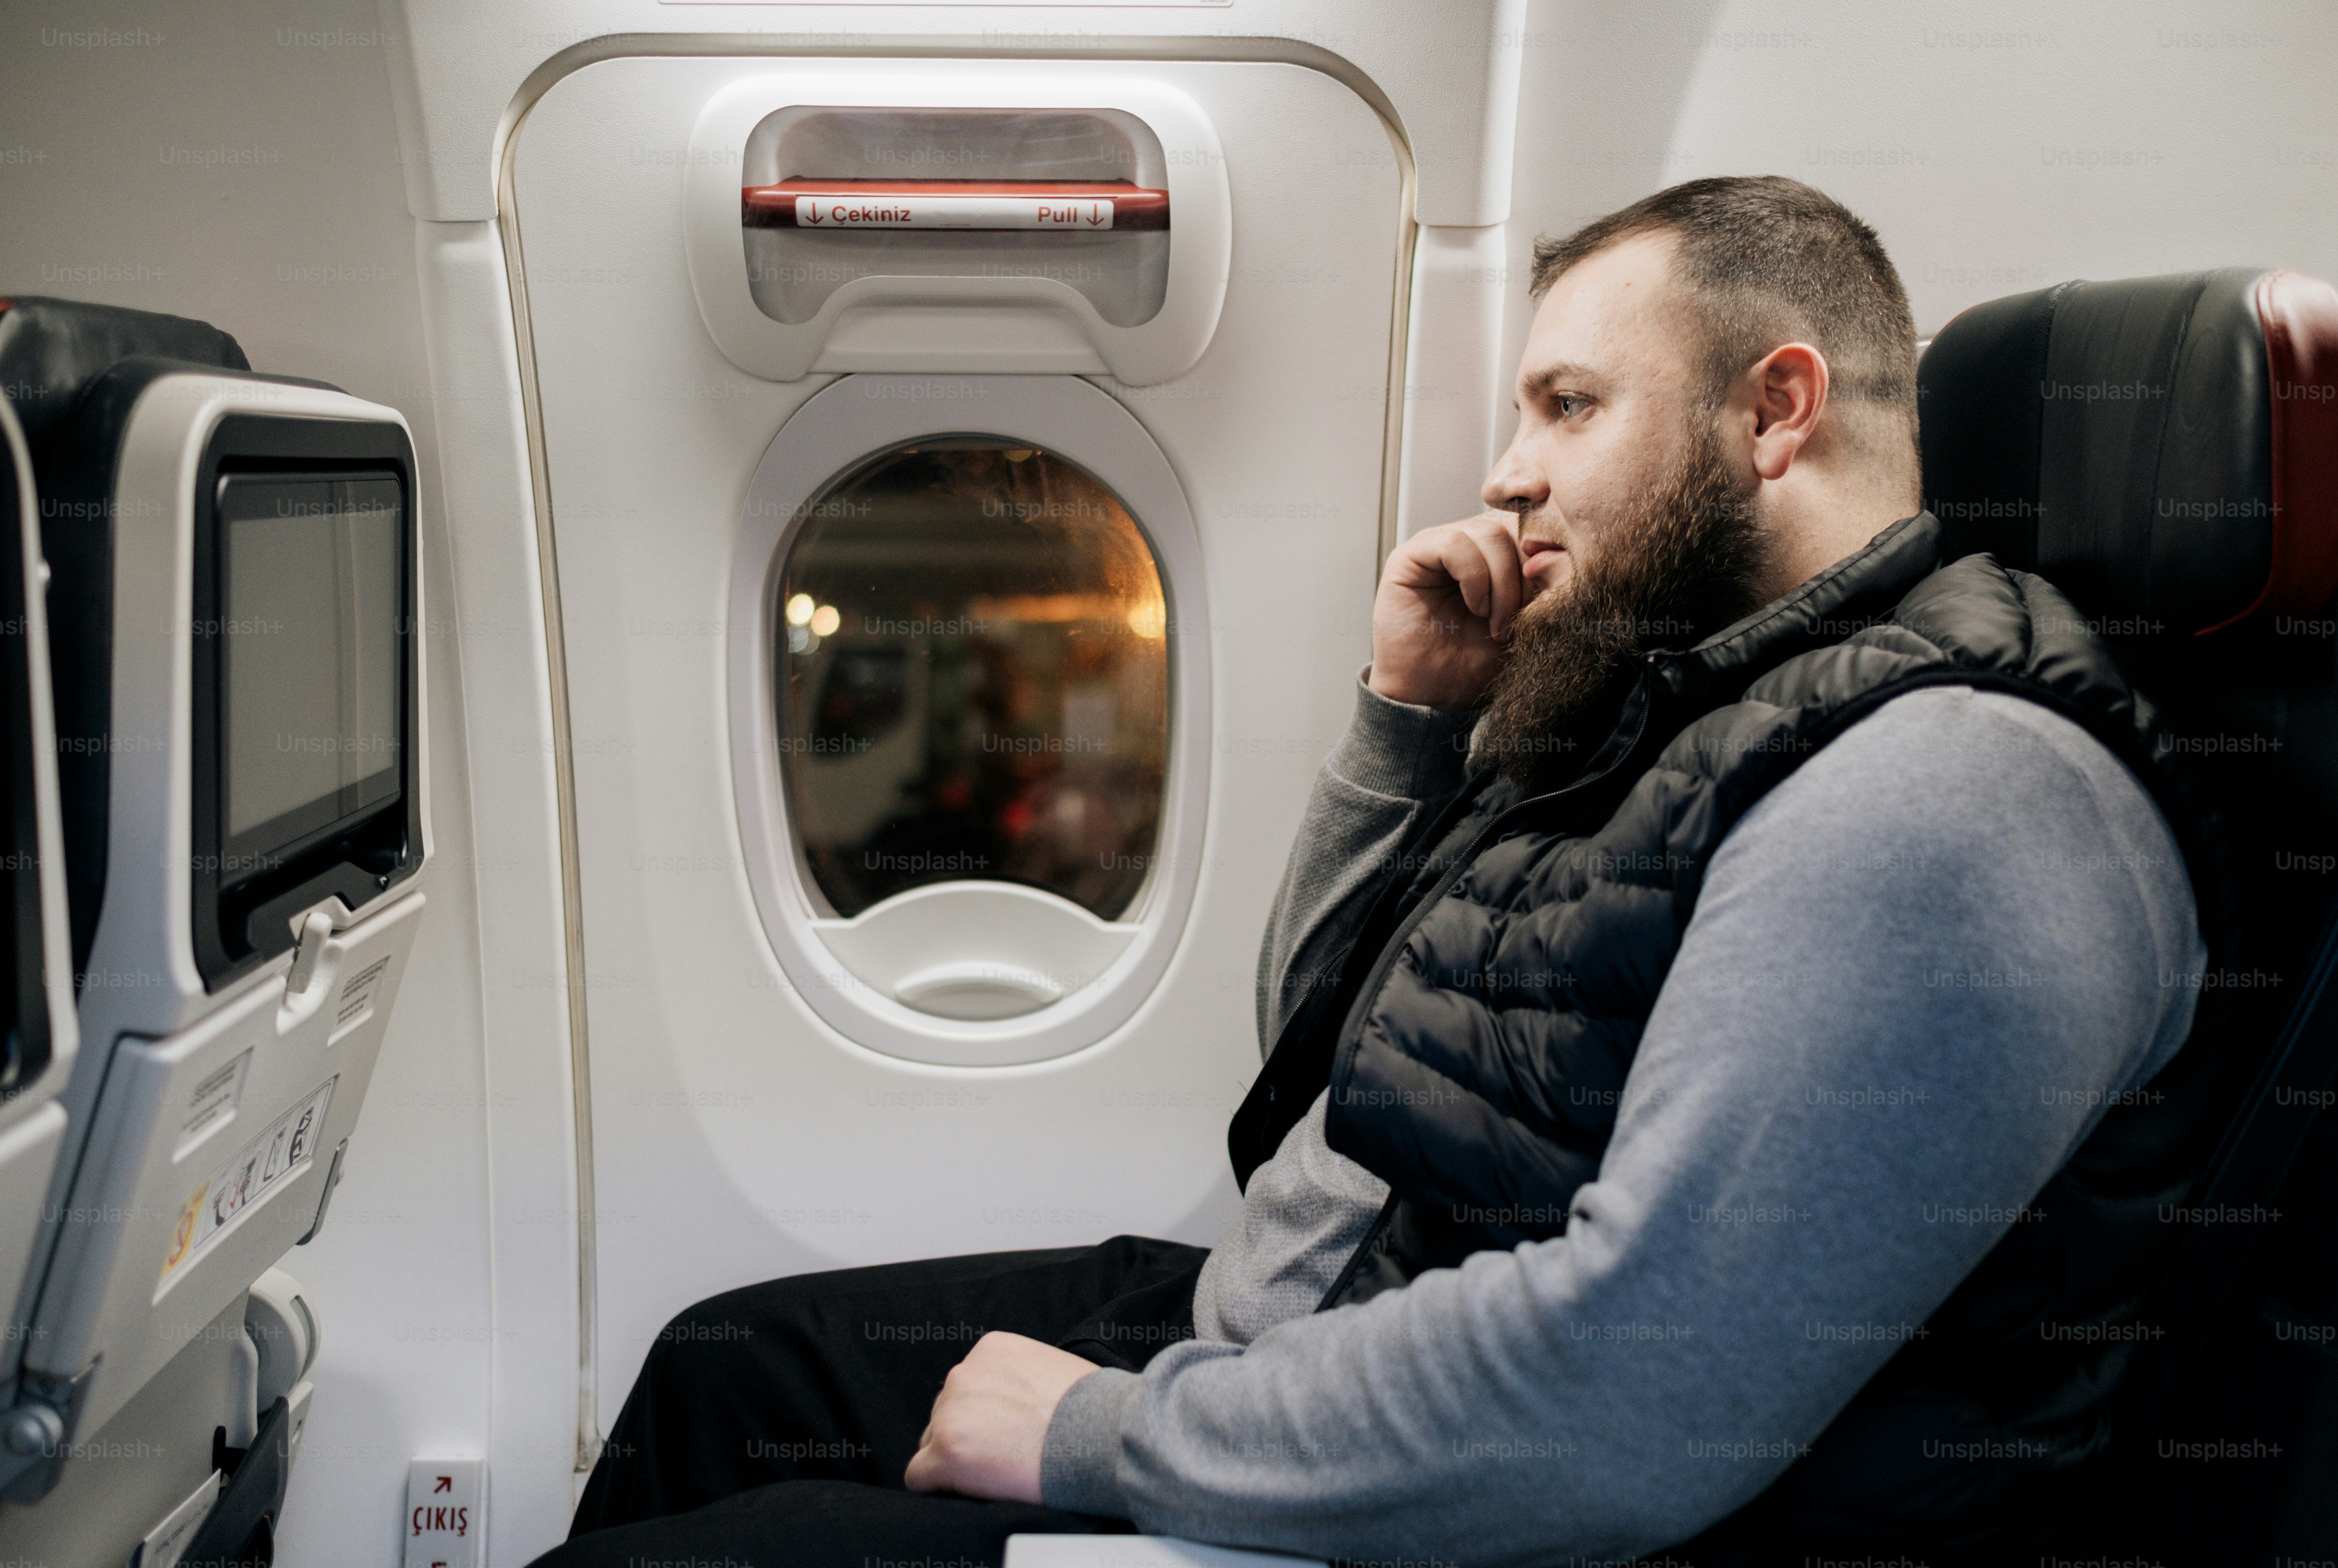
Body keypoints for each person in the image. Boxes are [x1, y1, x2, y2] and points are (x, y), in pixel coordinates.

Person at [529, 176, 2228, 1567]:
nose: (1507, 471)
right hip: (1285, 1337)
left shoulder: (1950, 793)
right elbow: (1320, 1071)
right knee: (724, 1371)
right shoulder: (1681, 698)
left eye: (1570, 405)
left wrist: (1103, 1434)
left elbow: (1632, 1404)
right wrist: (1410, 719)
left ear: (1774, 411)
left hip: (1480, 1497)